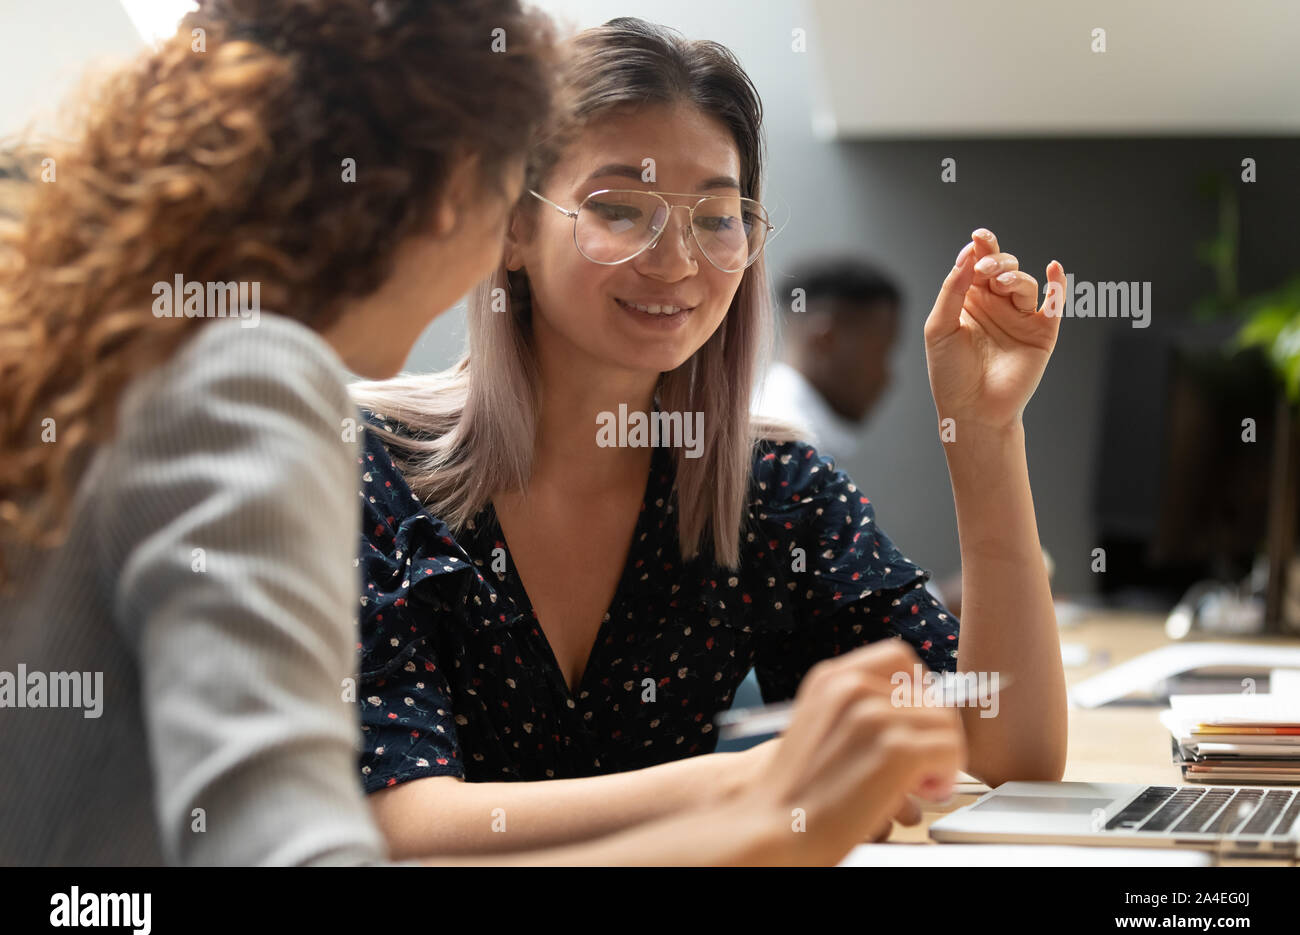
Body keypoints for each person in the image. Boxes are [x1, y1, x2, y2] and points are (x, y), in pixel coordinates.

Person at [0, 0, 962, 867]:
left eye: (715, 217)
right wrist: (755, 815)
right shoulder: (248, 382)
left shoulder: (130, 363)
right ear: (457, 193)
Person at [350, 17, 1069, 860]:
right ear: (512, 228)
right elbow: (394, 822)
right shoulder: (369, 467)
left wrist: (984, 435)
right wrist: (755, 781)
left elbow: (1009, 750)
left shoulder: (773, 486)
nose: (676, 260)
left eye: (717, 217)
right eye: (620, 209)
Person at [755, 258, 902, 462]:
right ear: (825, 341)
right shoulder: (786, 444)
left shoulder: (771, 420)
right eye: (881, 353)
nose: (887, 377)